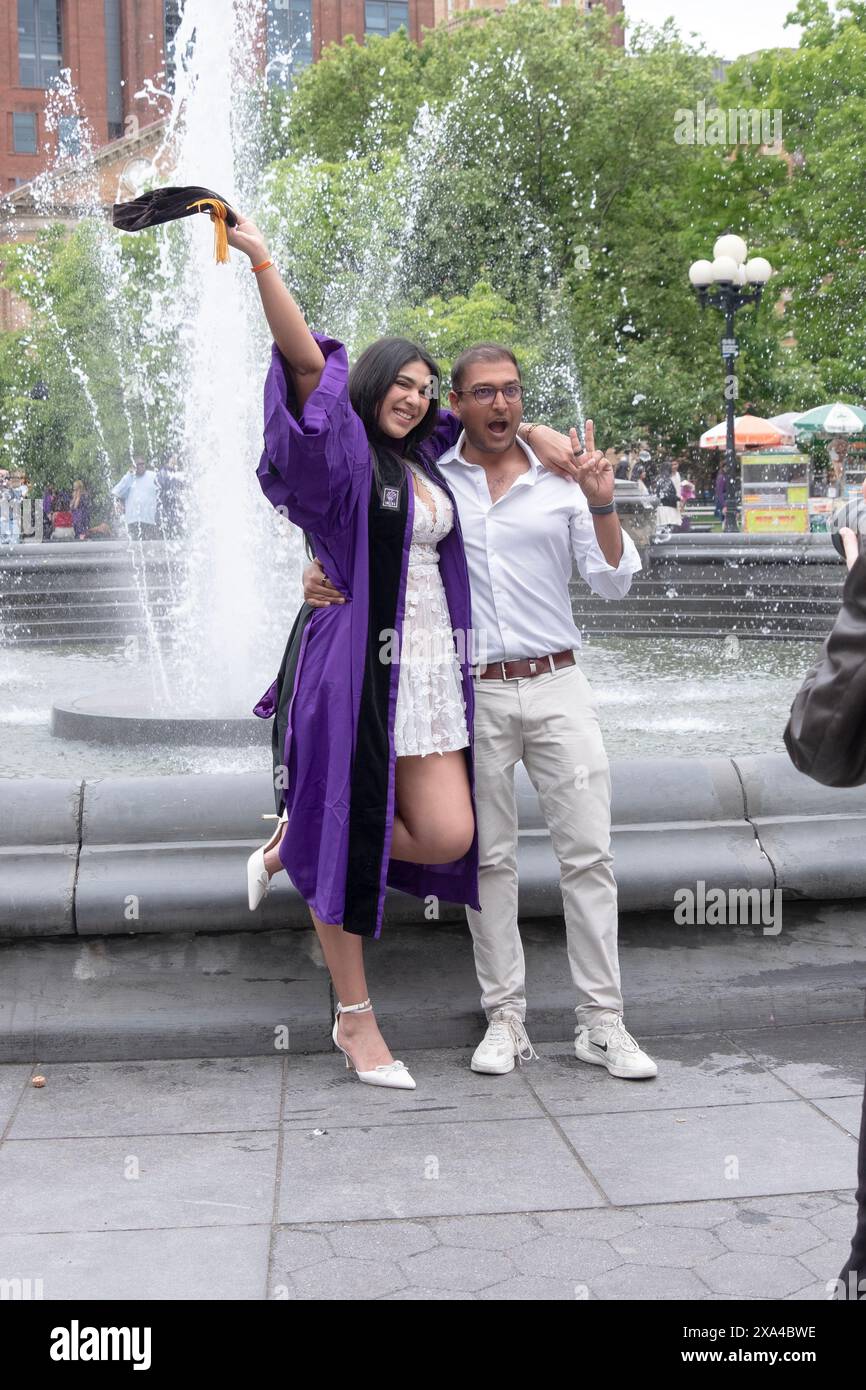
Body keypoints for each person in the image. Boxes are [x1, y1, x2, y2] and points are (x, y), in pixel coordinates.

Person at [227, 214, 575, 1091]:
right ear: (372, 385)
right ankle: (354, 1019)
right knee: (351, 827)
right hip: (356, 672)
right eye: (405, 383)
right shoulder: (348, 458)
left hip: (428, 678)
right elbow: (306, 363)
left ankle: (298, 832)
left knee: (452, 830)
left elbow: (492, 422)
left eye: (427, 387)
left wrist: (543, 439)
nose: (418, 397)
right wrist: (261, 256)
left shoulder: (427, 461)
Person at [304, 343, 658, 1081]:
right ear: (455, 405)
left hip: (559, 682)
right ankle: (505, 1017)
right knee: (487, 859)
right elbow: (369, 529)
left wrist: (600, 499)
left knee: (589, 855)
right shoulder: (437, 477)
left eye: (514, 393)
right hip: (476, 690)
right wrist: (317, 568)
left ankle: (603, 1022)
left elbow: (615, 582)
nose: (502, 404)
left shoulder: (560, 482)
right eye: (484, 393)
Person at [112, 456, 159, 539]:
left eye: (143, 464)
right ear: (134, 466)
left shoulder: (153, 476)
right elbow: (116, 492)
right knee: (135, 547)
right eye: (138, 464)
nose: (141, 466)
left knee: (151, 548)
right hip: (133, 521)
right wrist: (129, 474)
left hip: (149, 520)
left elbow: (163, 488)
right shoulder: (129, 478)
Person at [655, 460, 682, 532]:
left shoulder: (660, 479)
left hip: (662, 508)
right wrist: (679, 498)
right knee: (668, 531)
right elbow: (667, 494)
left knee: (663, 531)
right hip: (668, 509)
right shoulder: (666, 480)